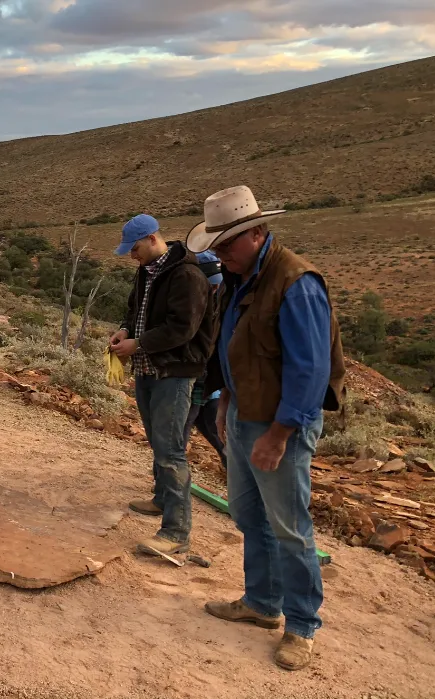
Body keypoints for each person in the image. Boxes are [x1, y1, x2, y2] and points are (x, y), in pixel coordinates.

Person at [187, 186, 345, 671]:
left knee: (291, 529)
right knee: (247, 514)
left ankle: (301, 626)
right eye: (215, 245)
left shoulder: (295, 282)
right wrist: (226, 401)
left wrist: (279, 435)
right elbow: (238, 350)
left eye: (227, 243)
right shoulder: (241, 278)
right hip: (241, 414)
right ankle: (261, 603)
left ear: (256, 234)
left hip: (280, 425)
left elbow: (309, 371)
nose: (219, 254)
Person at [109, 214, 217, 557]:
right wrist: (125, 331)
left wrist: (137, 345)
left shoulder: (187, 275)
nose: (132, 255)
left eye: (135, 248)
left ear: (153, 238)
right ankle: (161, 498)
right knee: (158, 439)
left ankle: (176, 531)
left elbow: (182, 328)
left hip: (175, 370)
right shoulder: (147, 271)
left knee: (170, 449)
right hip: (149, 368)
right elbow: (134, 311)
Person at [185, 251, 226, 468]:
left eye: (217, 285)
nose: (215, 289)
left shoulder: (222, 305)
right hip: (194, 383)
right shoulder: (188, 305)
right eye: (210, 285)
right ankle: (169, 488)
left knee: (218, 435)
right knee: (179, 437)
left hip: (208, 386)